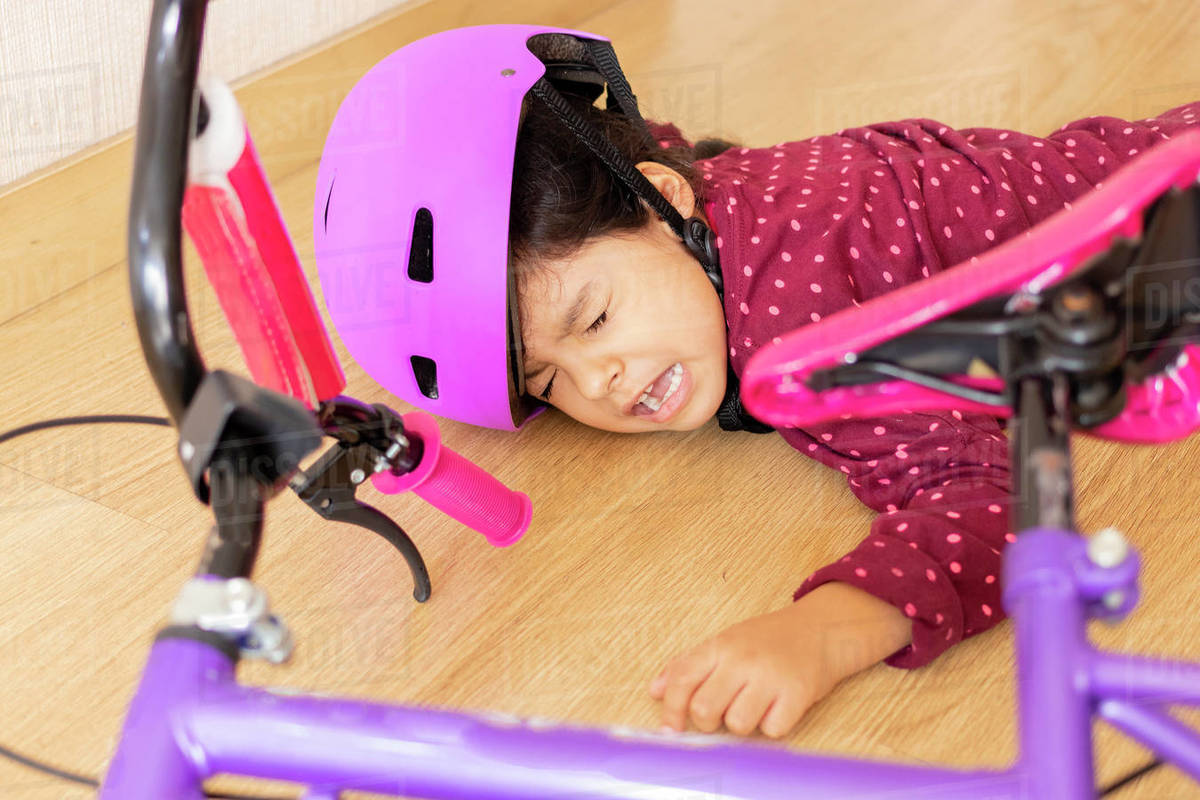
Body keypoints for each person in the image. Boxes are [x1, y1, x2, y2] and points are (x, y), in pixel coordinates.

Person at [313, 24, 1200, 738]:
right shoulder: (706, 197)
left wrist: (821, 634)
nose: (603, 382)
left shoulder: (793, 315)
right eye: (549, 383)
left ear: (663, 195)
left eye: (593, 321)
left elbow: (984, 504)